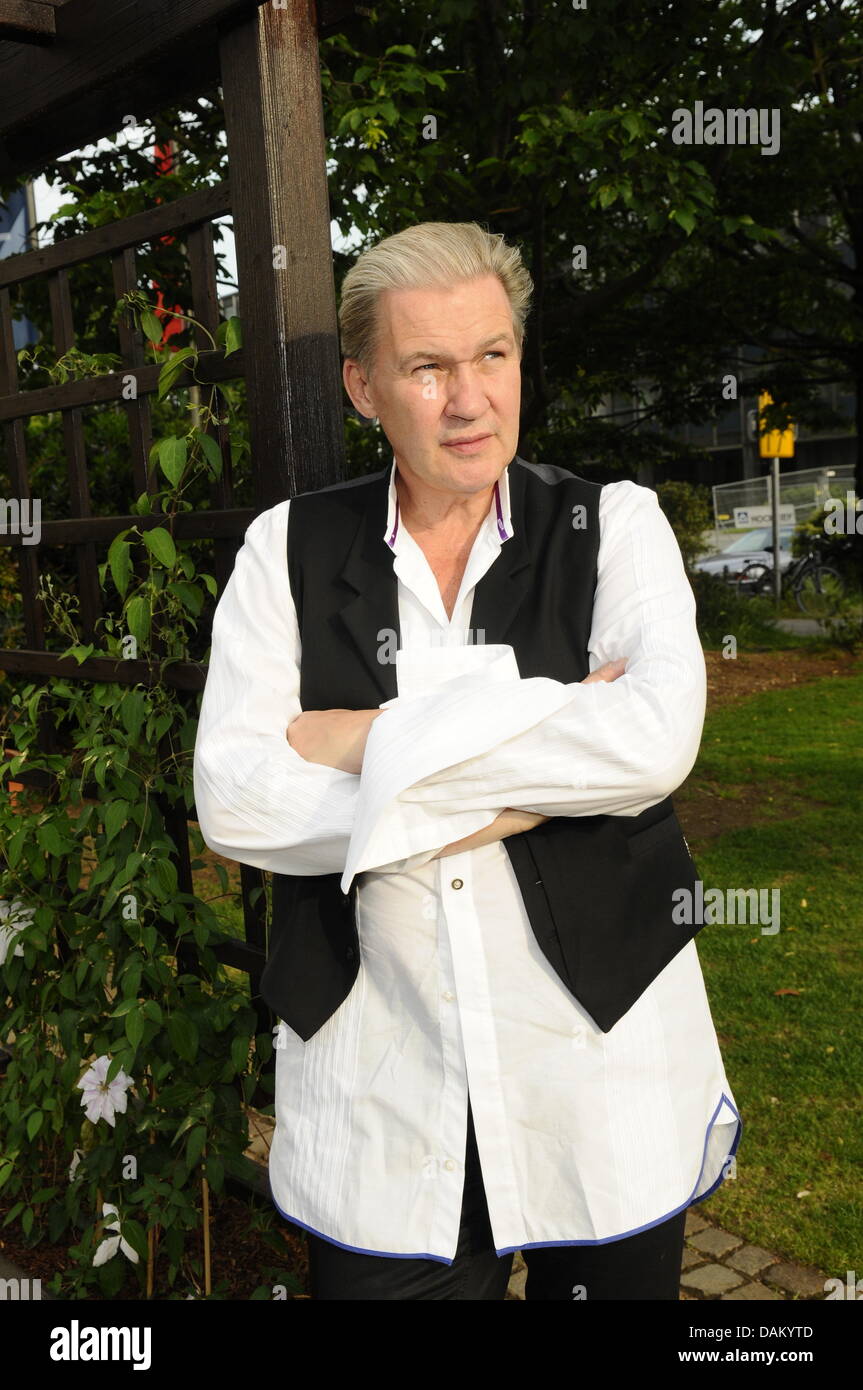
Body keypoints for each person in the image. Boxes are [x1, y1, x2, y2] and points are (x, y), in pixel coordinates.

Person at [193, 221, 741, 1300]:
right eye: (427, 366)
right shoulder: (284, 551)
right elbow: (238, 801)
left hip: (599, 1080)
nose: (469, 397)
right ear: (363, 387)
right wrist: (530, 770)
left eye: (492, 355)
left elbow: (650, 737)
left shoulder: (613, 526)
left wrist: (361, 740)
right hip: (382, 1100)